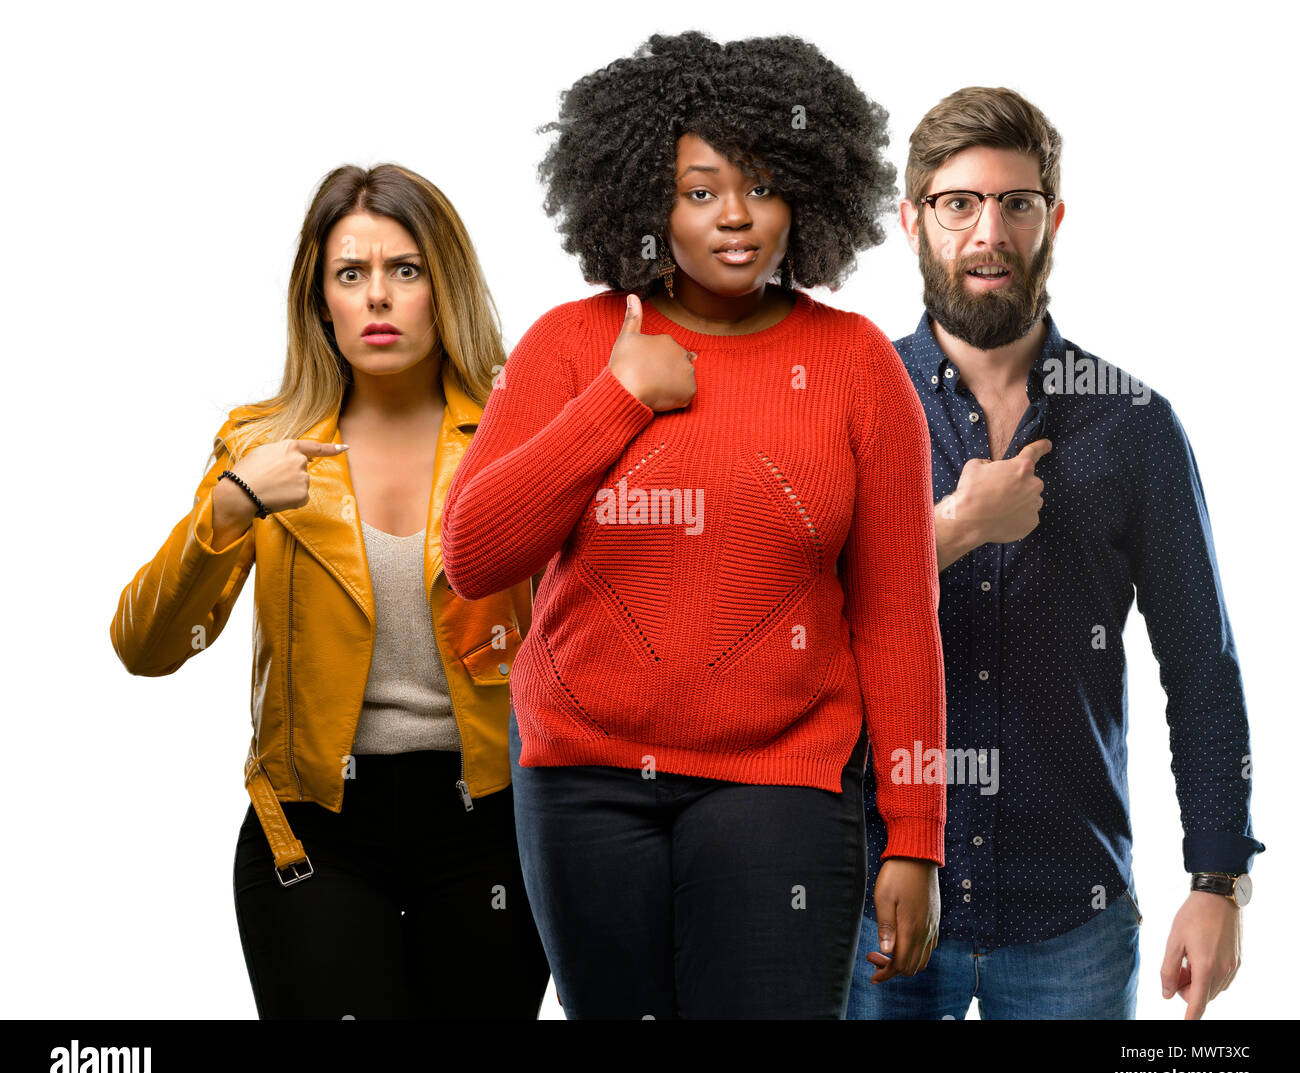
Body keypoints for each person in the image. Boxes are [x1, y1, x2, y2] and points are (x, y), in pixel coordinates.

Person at [441, 31, 947, 1020]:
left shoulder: (854, 368)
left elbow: (897, 619)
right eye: (700, 190)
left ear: (807, 191)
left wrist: (916, 831)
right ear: (643, 200)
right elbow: (473, 554)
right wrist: (618, 399)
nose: (735, 219)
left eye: (760, 187)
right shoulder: (572, 345)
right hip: (581, 781)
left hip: (782, 783)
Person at [846, 87, 1264, 1021]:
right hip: (876, 899)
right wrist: (952, 528)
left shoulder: (1134, 425)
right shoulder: (852, 403)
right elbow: (786, 620)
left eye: (1016, 203)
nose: (988, 232)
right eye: (959, 204)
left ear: (1053, 219)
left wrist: (1218, 877)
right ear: (912, 220)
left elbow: (1202, 665)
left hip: (1071, 917)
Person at [110, 163, 552, 1019]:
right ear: (321, 302)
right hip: (314, 833)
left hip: (492, 828)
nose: (378, 297)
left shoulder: (518, 429)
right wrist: (233, 504)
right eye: (352, 275)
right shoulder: (260, 442)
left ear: (443, 287)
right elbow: (146, 646)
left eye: (405, 271)